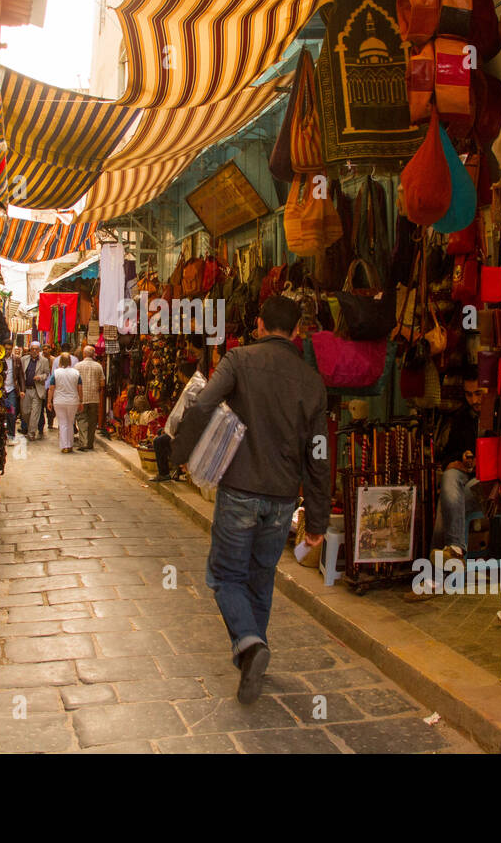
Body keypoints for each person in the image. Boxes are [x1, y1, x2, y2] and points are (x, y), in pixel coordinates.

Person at [170, 295, 329, 704]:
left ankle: (249, 643)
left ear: (258, 324)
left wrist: (180, 455)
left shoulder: (239, 360)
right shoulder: (311, 380)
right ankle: (251, 656)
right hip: (281, 500)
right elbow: (319, 453)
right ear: (297, 332)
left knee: (224, 576)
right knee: (260, 578)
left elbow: (202, 405)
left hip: (240, 489)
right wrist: (317, 520)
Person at [405, 369, 483, 602]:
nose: (474, 400)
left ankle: (436, 577)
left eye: (478, 393)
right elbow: (447, 455)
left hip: (490, 481)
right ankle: (455, 551)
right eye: (469, 395)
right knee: (449, 478)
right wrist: (460, 460)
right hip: (465, 478)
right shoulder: (463, 417)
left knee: (445, 507)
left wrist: (481, 462)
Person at [150, 360, 201, 481]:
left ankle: (164, 473)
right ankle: (175, 469)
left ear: (183, 374)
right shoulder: (192, 387)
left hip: (188, 431)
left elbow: (182, 415)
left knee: (159, 441)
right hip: (187, 428)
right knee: (162, 435)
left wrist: (172, 430)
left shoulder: (191, 390)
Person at [47, 353, 82, 453]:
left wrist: (49, 401)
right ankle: (70, 445)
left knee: (62, 423)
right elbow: (79, 388)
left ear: (60, 361)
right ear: (70, 362)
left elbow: (51, 388)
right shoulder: (76, 373)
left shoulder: (56, 373)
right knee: (70, 423)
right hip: (73, 401)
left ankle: (64, 446)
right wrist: (81, 401)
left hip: (59, 401)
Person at [74, 345, 105, 452]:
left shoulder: (77, 366)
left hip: (82, 398)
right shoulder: (98, 366)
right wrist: (97, 391)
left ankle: (83, 442)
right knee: (92, 421)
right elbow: (102, 383)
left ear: (84, 354)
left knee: (82, 419)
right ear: (93, 354)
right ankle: (90, 443)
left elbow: (74, 382)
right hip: (94, 398)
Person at [21, 342, 48, 440]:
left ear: (39, 350)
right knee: (25, 412)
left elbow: (46, 374)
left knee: (35, 412)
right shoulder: (24, 359)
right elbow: (20, 374)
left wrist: (40, 377)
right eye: (33, 349)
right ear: (30, 350)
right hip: (26, 390)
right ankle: (30, 427)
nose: (35, 351)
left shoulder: (44, 361)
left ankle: (31, 433)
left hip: (37, 390)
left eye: (37, 349)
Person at [4, 345, 24, 440]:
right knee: (0, 412)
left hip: (11, 389)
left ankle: (11, 434)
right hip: (1, 389)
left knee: (11, 412)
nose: (7, 351)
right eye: (6, 348)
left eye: (9, 349)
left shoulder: (16, 360)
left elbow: (20, 376)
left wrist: (22, 390)